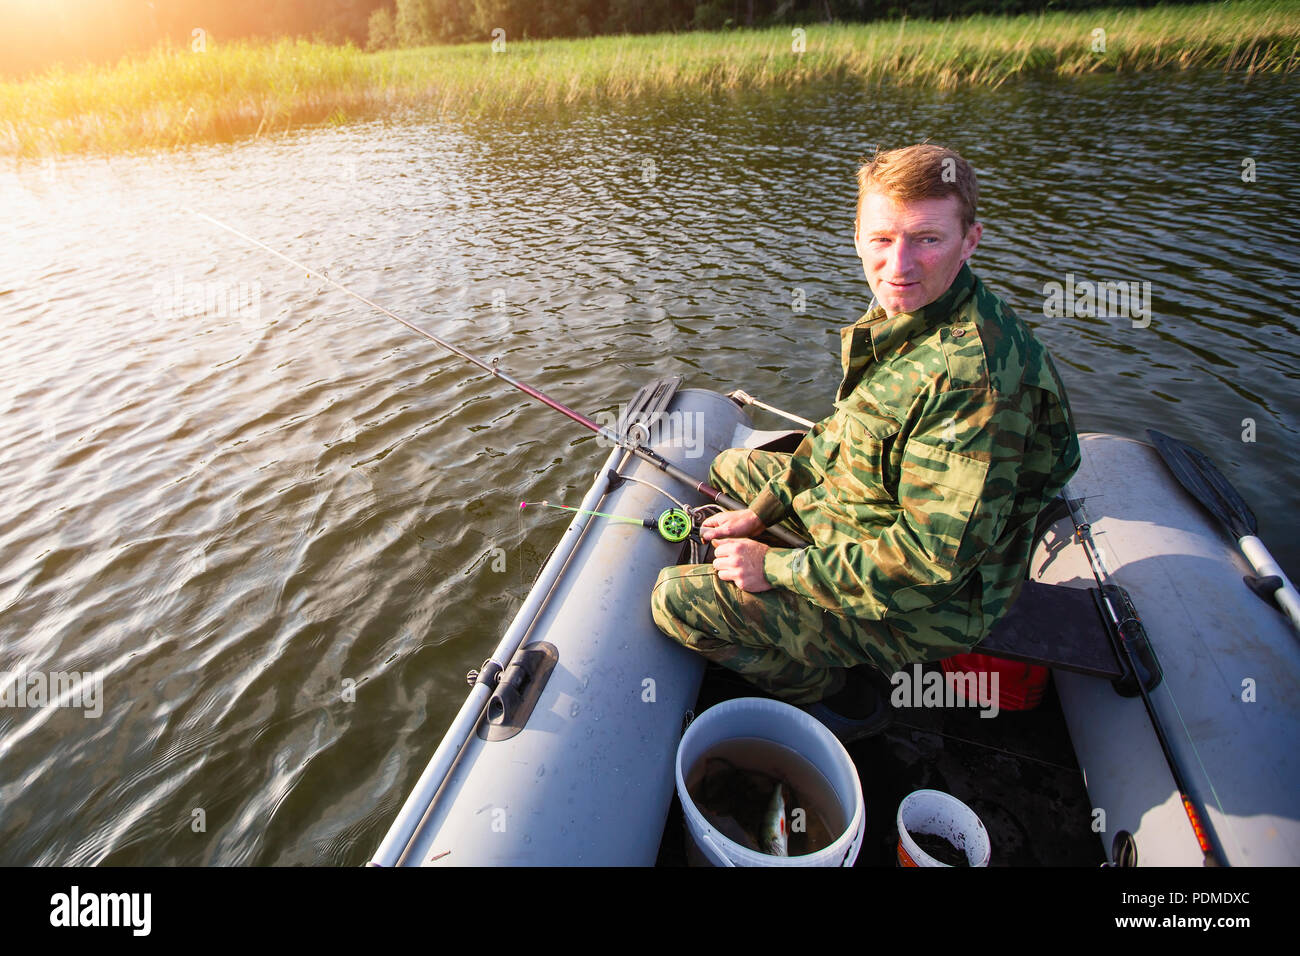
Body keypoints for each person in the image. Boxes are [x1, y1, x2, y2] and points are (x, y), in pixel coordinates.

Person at [650, 143, 1081, 741]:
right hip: (873, 516)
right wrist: (761, 513)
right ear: (857, 236)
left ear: (970, 240)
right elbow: (840, 437)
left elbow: (927, 565)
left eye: (927, 239)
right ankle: (781, 550)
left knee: (676, 601)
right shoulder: (908, 315)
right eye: (882, 239)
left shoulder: (974, 381)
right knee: (731, 468)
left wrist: (777, 566)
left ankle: (837, 696)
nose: (899, 263)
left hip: (932, 604)